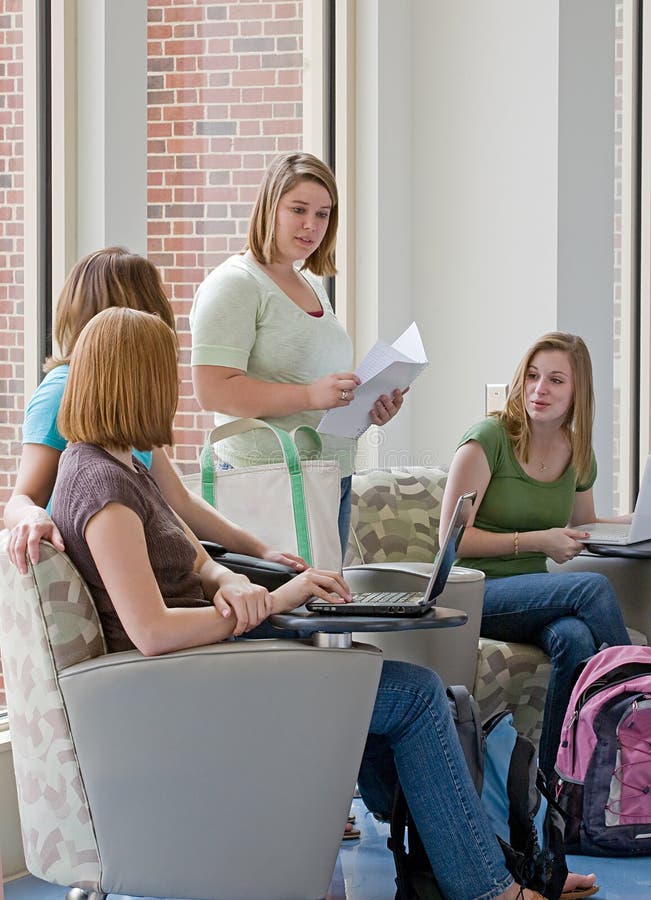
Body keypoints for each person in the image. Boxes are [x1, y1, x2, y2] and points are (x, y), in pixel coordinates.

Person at [50, 308, 596, 900]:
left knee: (382, 681)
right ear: (136, 382)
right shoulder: (104, 489)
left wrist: (229, 580)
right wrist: (271, 602)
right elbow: (151, 631)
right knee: (415, 697)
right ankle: (488, 885)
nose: (176, 390)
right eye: (167, 374)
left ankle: (481, 868)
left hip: (208, 664)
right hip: (191, 683)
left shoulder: (120, 467)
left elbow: (190, 556)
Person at [4, 248, 305, 622]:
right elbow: (23, 497)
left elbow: (178, 500)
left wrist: (260, 552)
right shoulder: (68, 400)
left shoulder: (127, 420)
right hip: (111, 572)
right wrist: (31, 514)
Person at [190, 151, 406, 555]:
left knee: (324, 595)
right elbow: (213, 389)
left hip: (329, 475)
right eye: (298, 209)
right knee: (280, 596)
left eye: (323, 214)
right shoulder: (235, 284)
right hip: (267, 479)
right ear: (269, 208)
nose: (312, 225)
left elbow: (315, 392)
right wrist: (309, 395)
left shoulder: (312, 286)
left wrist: (366, 406)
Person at [439, 332, 631, 782]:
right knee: (591, 588)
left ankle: (554, 785)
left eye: (556, 380)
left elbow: (586, 523)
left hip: (531, 596)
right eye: (532, 376)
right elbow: (453, 542)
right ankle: (639, 697)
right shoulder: (488, 439)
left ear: (578, 391)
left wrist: (637, 522)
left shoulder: (578, 452)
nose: (539, 389)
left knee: (575, 639)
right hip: (473, 591)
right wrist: (538, 541)